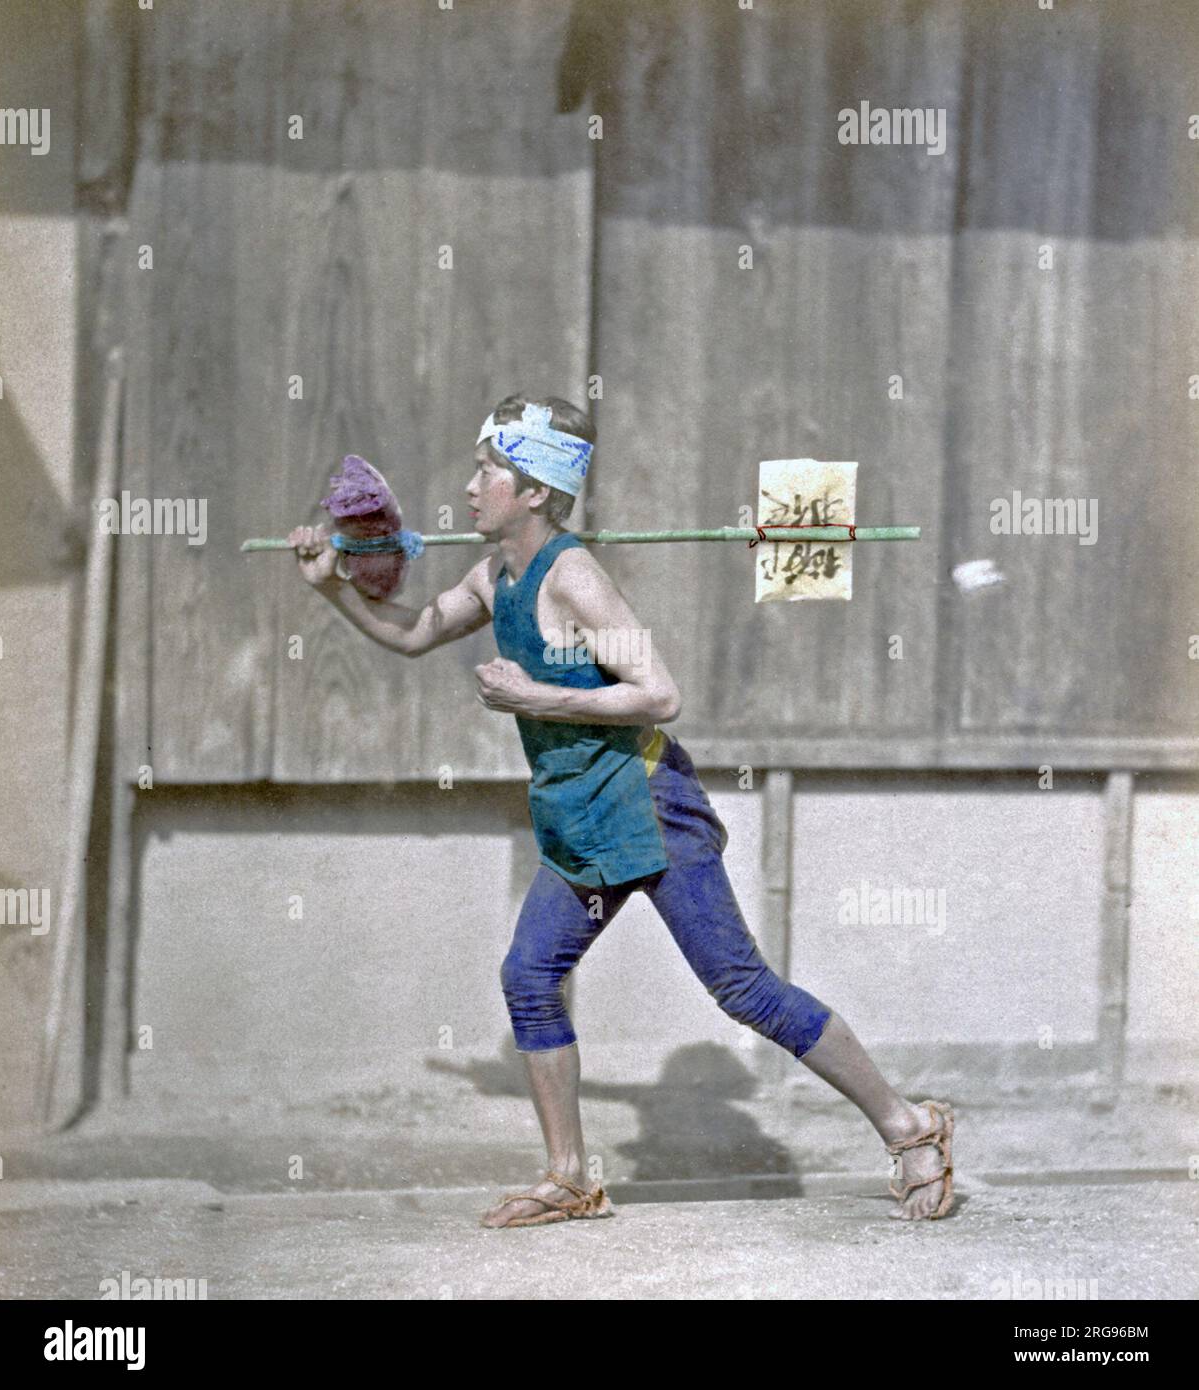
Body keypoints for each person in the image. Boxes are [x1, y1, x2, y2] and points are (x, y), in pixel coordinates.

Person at [289, 393, 954, 1227]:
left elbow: (659, 694)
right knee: (529, 977)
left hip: (649, 808)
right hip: (577, 817)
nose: (469, 485)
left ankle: (910, 1125)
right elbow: (417, 631)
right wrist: (332, 589)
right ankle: (569, 1177)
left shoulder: (575, 577)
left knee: (742, 990)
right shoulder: (495, 575)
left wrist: (537, 694)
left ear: (535, 491)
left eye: (489, 469)